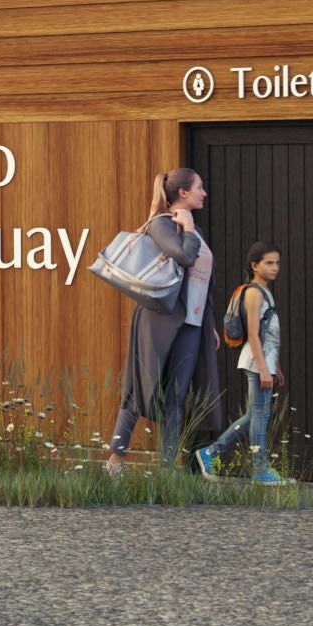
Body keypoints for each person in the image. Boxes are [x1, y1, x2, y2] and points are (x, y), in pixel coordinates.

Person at [102, 167, 216, 464]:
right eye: (199, 188)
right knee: (142, 384)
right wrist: (188, 229)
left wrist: (209, 324)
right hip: (159, 320)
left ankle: (168, 466)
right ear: (183, 192)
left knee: (176, 396)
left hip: (192, 323)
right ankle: (116, 458)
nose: (204, 193)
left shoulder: (196, 230)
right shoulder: (162, 224)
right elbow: (183, 257)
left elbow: (204, 281)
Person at [197, 240, 287, 484]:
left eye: (277, 263)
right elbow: (254, 335)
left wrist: (275, 367)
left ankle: (211, 452)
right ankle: (260, 471)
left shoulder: (265, 292)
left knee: (254, 415)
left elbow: (270, 335)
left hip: (263, 363)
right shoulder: (254, 293)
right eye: (269, 263)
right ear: (254, 265)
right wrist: (264, 370)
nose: (275, 267)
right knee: (260, 416)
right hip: (256, 364)